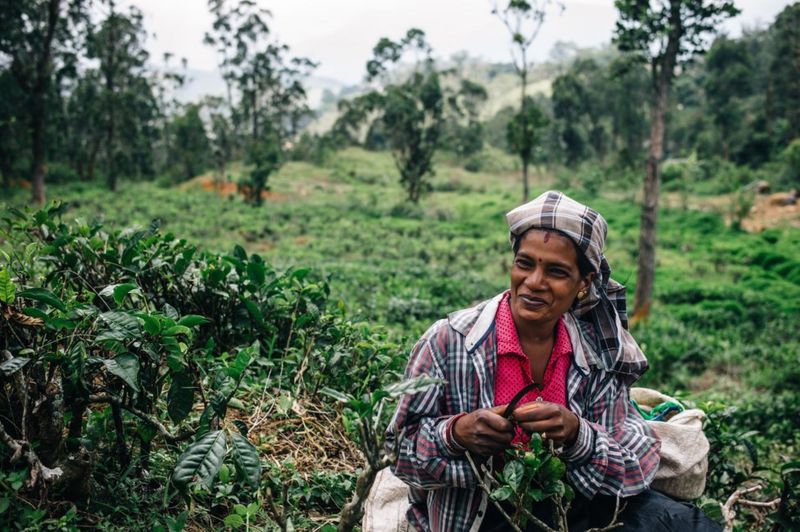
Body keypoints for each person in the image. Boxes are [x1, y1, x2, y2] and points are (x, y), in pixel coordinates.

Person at [385, 191, 720, 532]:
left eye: (557, 271)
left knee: (690, 526)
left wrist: (578, 435)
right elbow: (397, 453)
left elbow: (637, 466)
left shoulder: (595, 349)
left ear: (583, 284)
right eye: (525, 263)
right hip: (482, 510)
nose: (534, 282)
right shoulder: (449, 341)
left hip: (577, 500)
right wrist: (456, 433)